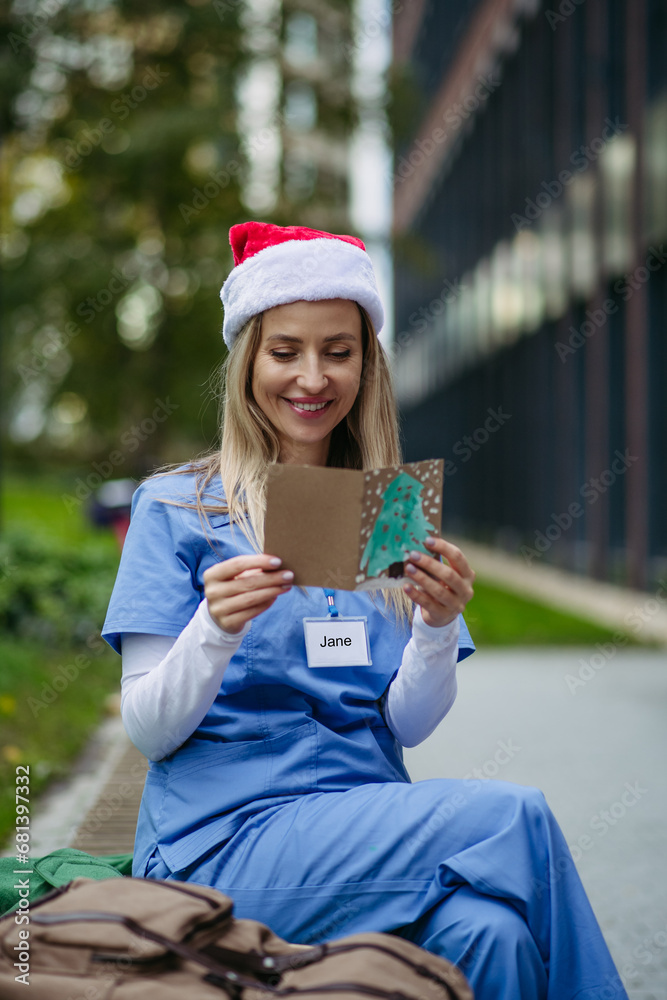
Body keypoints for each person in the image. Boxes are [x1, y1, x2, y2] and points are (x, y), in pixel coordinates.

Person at [102, 222, 628, 1000]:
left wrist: (437, 627)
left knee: (494, 934)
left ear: (366, 364)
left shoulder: (391, 510)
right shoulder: (177, 506)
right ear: (249, 358)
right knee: (510, 816)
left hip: (365, 828)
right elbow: (148, 728)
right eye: (285, 351)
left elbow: (406, 724)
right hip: (221, 844)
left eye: (338, 351)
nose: (311, 377)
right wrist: (212, 630)